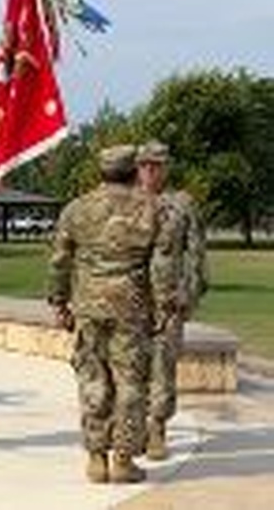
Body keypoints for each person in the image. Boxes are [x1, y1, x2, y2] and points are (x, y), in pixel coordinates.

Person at [48, 145, 178, 484]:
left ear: (101, 172)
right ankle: (123, 459)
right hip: (131, 308)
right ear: (134, 170)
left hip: (89, 307)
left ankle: (96, 457)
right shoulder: (152, 208)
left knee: (92, 378)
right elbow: (162, 265)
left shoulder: (76, 209)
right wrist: (164, 305)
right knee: (131, 382)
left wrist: (59, 302)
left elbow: (60, 261)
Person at [136, 140, 208, 460]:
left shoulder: (182, 205)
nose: (150, 170)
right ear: (137, 168)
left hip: (168, 302)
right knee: (130, 366)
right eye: (145, 165)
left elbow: (197, 254)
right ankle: (132, 426)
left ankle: (157, 428)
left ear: (166, 168)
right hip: (130, 301)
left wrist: (188, 294)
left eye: (157, 165)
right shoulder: (124, 203)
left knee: (163, 366)